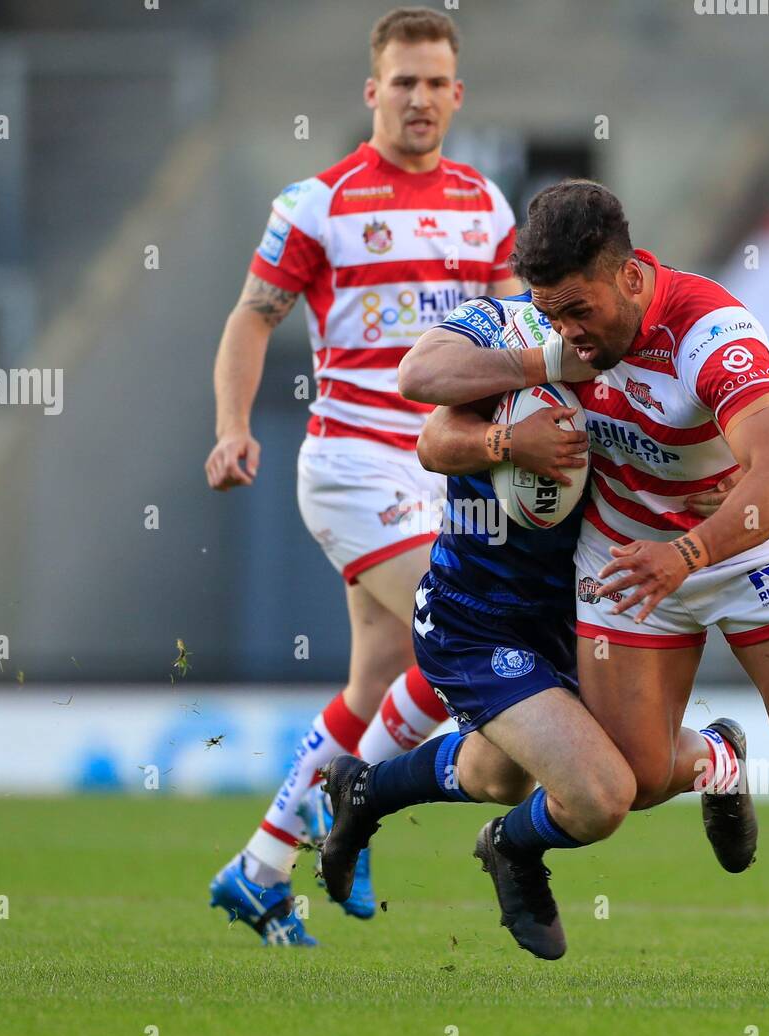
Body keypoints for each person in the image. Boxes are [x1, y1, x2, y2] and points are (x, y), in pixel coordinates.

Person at [325, 180, 769, 989]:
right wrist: (544, 365)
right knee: (623, 781)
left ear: (631, 277)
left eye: (579, 311)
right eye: (551, 312)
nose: (570, 331)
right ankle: (703, 767)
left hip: (742, 549)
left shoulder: (709, 329)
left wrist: (694, 549)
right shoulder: (545, 335)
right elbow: (429, 403)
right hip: (625, 557)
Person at [204, 7, 520, 945]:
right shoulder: (322, 200)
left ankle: (260, 869)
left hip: (445, 471)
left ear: (457, 96)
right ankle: (358, 805)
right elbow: (252, 317)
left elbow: (515, 339)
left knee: (377, 679)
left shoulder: (486, 206)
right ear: (372, 89)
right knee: (455, 633)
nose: (419, 99)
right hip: (352, 463)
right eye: (403, 81)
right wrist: (230, 427)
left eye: (435, 83)